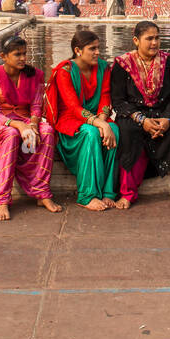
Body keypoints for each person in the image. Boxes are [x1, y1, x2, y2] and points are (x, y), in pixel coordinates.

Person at [0, 31, 61, 220]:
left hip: (26, 119)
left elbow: (36, 106)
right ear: (3, 56)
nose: (23, 58)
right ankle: (1, 199)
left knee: (48, 131)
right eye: (17, 54)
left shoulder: (35, 75)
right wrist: (19, 126)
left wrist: (33, 124)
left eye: (24, 53)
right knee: (11, 134)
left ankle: (41, 192)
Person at [110, 20, 170, 208]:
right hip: (134, 116)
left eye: (157, 38)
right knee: (126, 132)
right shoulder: (122, 64)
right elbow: (118, 100)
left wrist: (168, 119)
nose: (154, 43)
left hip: (163, 114)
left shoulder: (167, 61)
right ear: (136, 40)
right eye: (149, 38)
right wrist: (141, 120)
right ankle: (128, 193)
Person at [47, 28, 119, 209]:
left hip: (95, 118)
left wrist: (103, 120)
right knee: (90, 133)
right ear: (78, 50)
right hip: (70, 122)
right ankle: (87, 195)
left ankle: (108, 191)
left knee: (115, 130)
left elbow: (105, 96)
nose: (97, 52)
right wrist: (101, 124)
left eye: (98, 48)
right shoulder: (65, 70)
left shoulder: (103, 67)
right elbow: (73, 107)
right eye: (92, 49)